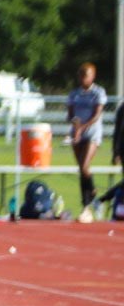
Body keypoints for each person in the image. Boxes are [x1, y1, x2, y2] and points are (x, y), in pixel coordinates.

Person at [67, 62, 106, 211]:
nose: (83, 79)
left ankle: (91, 194)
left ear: (92, 76)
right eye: (81, 76)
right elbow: (71, 113)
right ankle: (87, 202)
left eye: (86, 76)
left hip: (92, 134)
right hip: (77, 135)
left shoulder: (98, 92)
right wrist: (75, 124)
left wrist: (82, 127)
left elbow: (97, 114)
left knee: (84, 166)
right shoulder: (74, 94)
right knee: (82, 169)